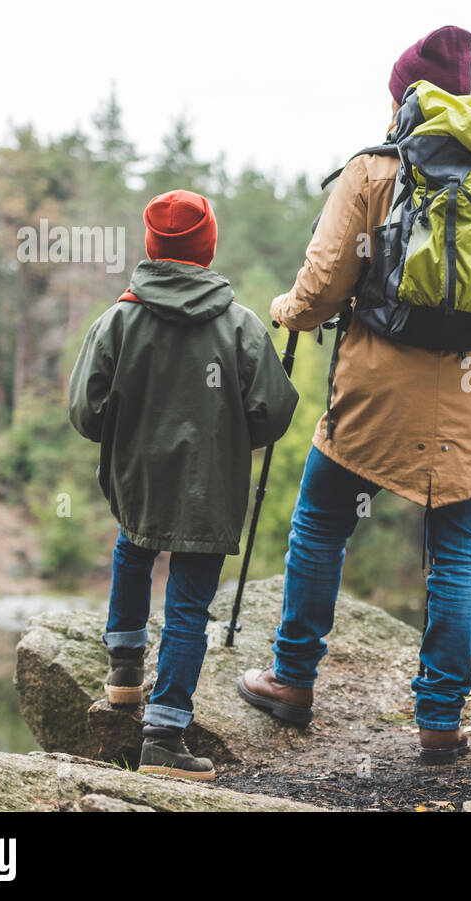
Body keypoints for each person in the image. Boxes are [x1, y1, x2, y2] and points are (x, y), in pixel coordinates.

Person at [237, 25, 471, 764]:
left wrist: (286, 310)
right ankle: (440, 720)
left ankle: (292, 680)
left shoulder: (372, 173)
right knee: (458, 554)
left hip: (373, 394)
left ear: (404, 97)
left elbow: (321, 291)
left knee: (321, 522)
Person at [68, 189, 299, 781]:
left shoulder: (118, 320)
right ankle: (164, 736)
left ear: (152, 247)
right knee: (190, 607)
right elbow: (272, 414)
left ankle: (123, 671)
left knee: (132, 546)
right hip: (209, 488)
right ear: (208, 248)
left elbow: (86, 412)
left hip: (137, 480)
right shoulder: (242, 326)